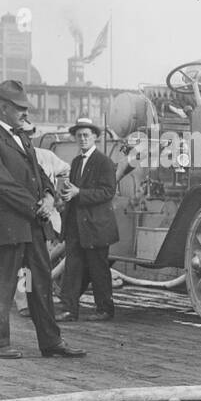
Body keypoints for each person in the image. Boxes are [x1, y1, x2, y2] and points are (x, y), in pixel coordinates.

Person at [0, 80, 84, 358]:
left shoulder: (23, 138)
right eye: (20, 108)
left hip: (31, 227)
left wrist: (49, 196)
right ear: (2, 108)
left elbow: (39, 174)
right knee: (3, 284)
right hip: (8, 228)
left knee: (39, 282)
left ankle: (51, 342)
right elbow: (1, 184)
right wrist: (38, 207)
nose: (25, 113)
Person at [59, 117, 119, 322]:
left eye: (86, 135)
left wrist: (79, 193)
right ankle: (69, 310)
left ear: (94, 136)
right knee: (72, 268)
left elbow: (108, 192)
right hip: (76, 224)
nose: (82, 139)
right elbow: (76, 191)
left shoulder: (104, 162)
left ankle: (105, 310)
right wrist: (68, 194)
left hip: (96, 226)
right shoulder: (76, 162)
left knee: (98, 269)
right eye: (79, 136)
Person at [13, 126, 69, 316]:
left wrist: (59, 194)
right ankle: (23, 303)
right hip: (23, 217)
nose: (25, 139)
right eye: (21, 136)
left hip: (48, 217)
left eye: (28, 136)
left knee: (43, 261)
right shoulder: (13, 158)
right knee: (23, 265)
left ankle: (42, 302)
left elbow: (67, 171)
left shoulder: (46, 156)